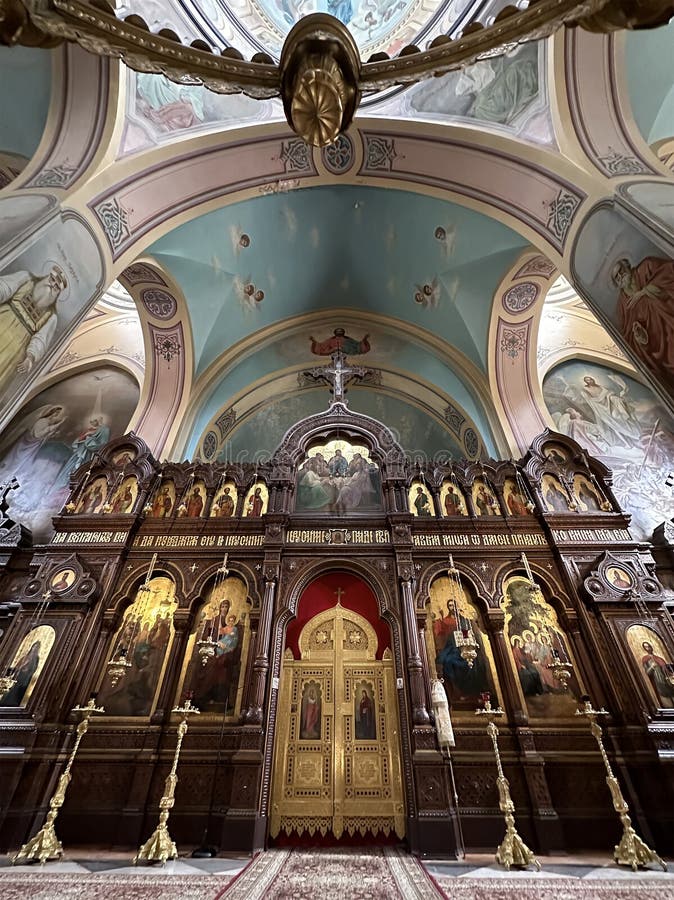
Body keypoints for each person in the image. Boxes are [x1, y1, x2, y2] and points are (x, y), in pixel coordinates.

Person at [0, 266, 68, 396]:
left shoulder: (51, 316)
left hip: (15, 350)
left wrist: (30, 358)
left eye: (56, 287)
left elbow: (41, 339)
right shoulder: (26, 278)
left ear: (58, 293)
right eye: (52, 279)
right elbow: (5, 287)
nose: (51, 284)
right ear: (47, 276)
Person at [612, 256, 674, 391]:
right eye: (617, 277)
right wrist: (640, 339)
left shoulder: (647, 266)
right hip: (657, 342)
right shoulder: (622, 306)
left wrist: (645, 292)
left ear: (627, 266)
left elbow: (669, 273)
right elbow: (629, 338)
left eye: (621, 271)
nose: (621, 276)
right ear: (617, 284)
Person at [0, 404, 65, 480]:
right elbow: (38, 434)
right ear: (51, 413)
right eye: (56, 414)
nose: (57, 417)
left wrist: (52, 433)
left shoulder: (47, 423)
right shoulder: (43, 421)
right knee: (14, 463)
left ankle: (8, 478)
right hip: (25, 445)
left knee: (20, 464)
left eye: (58, 415)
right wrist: (56, 425)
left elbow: (43, 436)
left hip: (32, 445)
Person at [55, 416, 111, 488]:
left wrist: (89, 439)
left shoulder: (104, 430)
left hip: (88, 454)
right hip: (79, 452)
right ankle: (62, 484)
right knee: (71, 466)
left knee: (80, 469)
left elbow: (101, 444)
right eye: (93, 421)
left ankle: (69, 487)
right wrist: (85, 436)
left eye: (96, 420)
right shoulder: (90, 430)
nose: (94, 422)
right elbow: (77, 441)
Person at [0, 640, 41, 706]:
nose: (34, 648)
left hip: (25, 677)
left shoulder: (36, 658)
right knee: (12, 690)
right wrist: (20, 667)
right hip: (19, 675)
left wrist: (26, 669)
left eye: (36, 647)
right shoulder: (25, 657)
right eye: (33, 646)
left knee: (17, 692)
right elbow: (17, 666)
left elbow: (34, 669)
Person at [641, 641, 674, 708]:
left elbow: (667, 670)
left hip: (667, 682)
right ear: (644, 649)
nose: (648, 648)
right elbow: (647, 673)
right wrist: (652, 667)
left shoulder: (659, 658)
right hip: (658, 683)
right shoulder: (645, 659)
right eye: (646, 647)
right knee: (667, 704)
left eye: (649, 646)